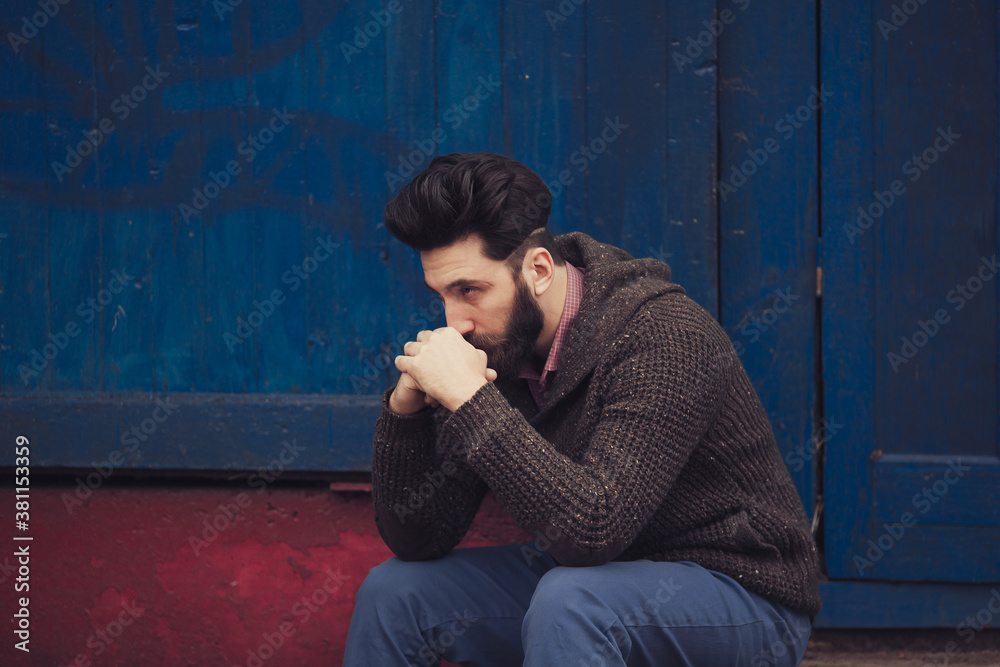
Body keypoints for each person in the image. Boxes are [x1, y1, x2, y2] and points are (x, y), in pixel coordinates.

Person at [343, 152, 821, 666]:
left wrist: (470, 401)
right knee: (395, 591)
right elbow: (421, 538)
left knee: (571, 601)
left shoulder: (665, 336)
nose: (454, 320)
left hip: (740, 594)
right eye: (440, 295)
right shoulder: (496, 347)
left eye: (470, 290)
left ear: (539, 269)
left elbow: (593, 532)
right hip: (595, 585)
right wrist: (405, 415)